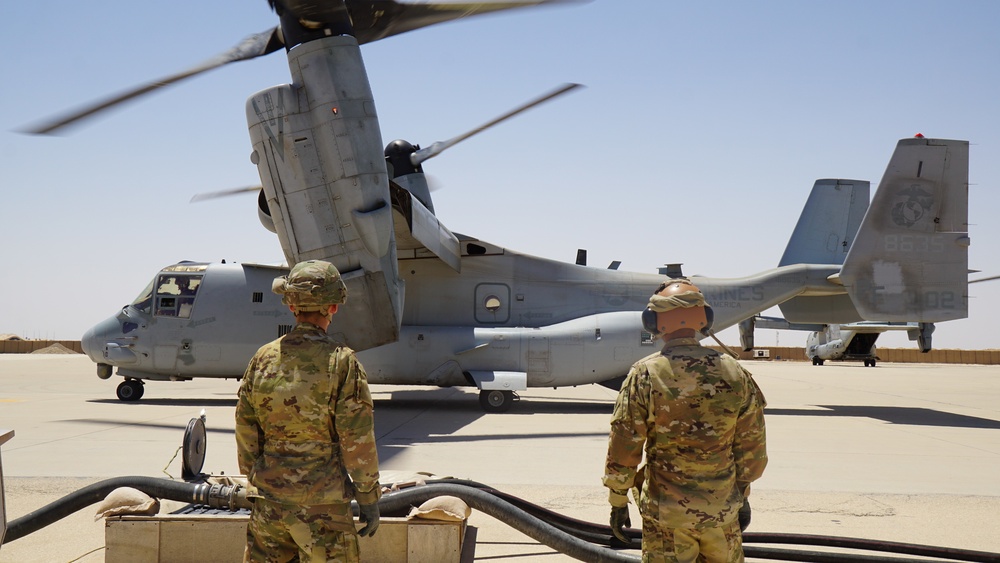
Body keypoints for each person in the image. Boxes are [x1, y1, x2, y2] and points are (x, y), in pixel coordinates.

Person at [603, 279, 767, 562]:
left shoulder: (645, 374)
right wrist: (743, 494)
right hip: (721, 512)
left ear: (654, 322)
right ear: (704, 319)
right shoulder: (735, 372)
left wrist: (618, 501)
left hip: (667, 518)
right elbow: (752, 447)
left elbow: (625, 443)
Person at [236, 259, 381, 562]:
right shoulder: (341, 362)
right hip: (323, 510)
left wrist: (260, 478)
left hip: (269, 506)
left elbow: (246, 429)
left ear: (292, 307)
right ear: (333, 308)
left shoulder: (262, 358)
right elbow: (357, 437)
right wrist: (368, 496)